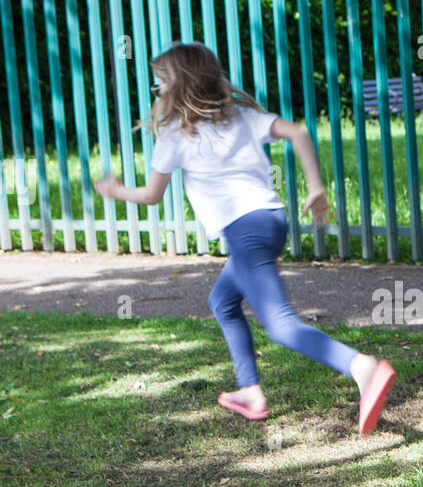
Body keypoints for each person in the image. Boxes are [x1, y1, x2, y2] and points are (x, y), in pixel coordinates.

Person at [95, 42, 396, 434]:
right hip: (269, 220)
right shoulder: (243, 118)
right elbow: (298, 132)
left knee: (281, 325)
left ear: (180, 85)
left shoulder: (173, 134)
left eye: (161, 81)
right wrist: (315, 188)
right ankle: (250, 391)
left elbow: (151, 196)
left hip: (244, 230)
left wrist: (117, 191)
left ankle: (362, 367)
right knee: (222, 301)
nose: (157, 89)